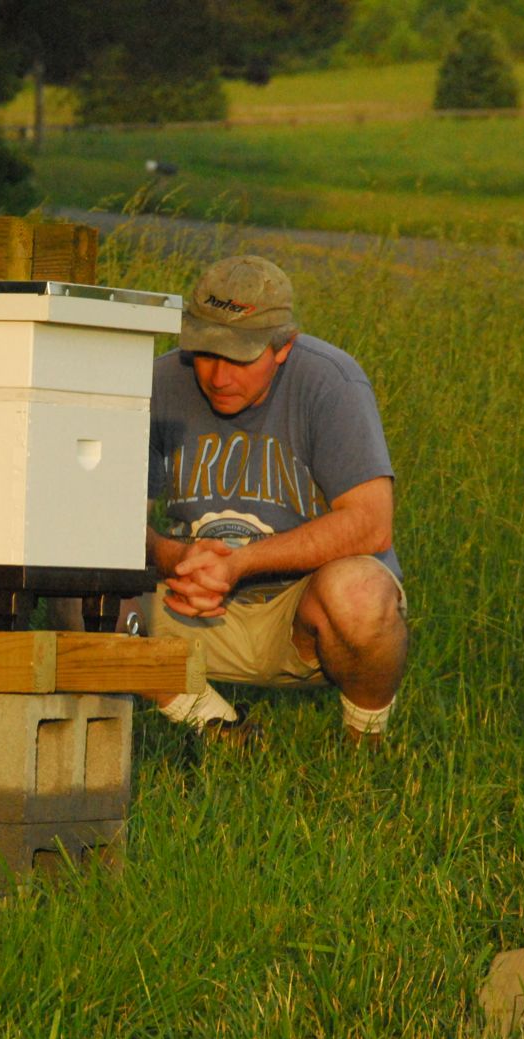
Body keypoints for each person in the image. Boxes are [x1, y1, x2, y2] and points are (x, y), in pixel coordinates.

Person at [145, 255, 408, 747]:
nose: (218, 376)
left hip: (298, 616)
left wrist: (240, 564)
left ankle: (365, 748)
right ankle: (222, 733)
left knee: (361, 594)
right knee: (76, 588)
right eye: (204, 352)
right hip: (186, 602)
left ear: (283, 347)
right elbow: (107, 525)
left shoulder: (331, 382)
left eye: (239, 357)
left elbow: (371, 525)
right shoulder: (159, 383)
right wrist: (175, 557)